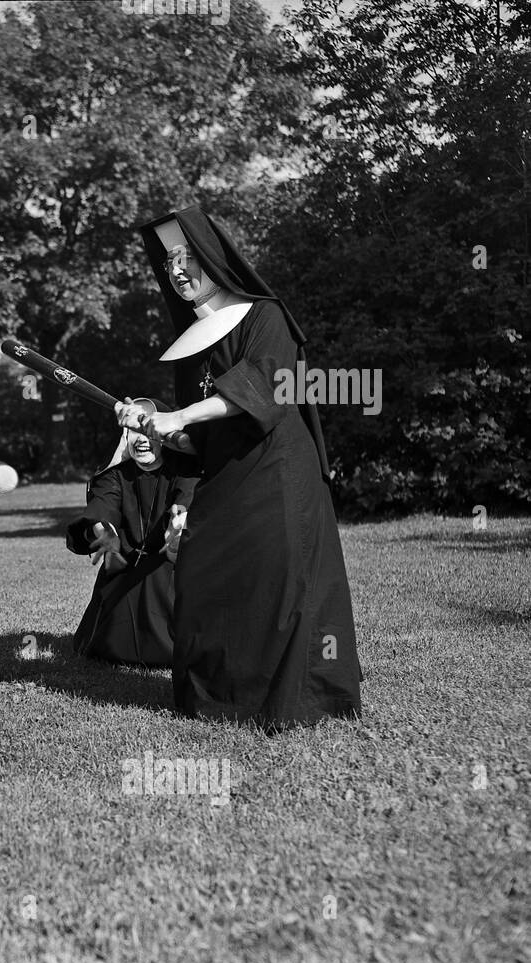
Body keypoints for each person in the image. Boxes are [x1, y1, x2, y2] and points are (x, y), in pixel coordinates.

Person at [119, 204, 362, 730]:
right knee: (205, 573)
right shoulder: (189, 343)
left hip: (278, 472)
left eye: (186, 258)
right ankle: (221, 696)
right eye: (168, 263)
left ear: (212, 256)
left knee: (279, 587)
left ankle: (295, 701)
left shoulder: (264, 316)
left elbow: (262, 384)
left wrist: (177, 415)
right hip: (226, 476)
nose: (176, 270)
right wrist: (158, 428)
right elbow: (197, 440)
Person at [65, 398, 196, 667]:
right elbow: (103, 506)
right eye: (133, 432)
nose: (141, 439)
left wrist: (178, 528)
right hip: (123, 570)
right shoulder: (116, 476)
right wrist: (103, 530)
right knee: (108, 645)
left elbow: (185, 503)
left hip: (168, 570)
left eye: (147, 430)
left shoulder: (184, 471)